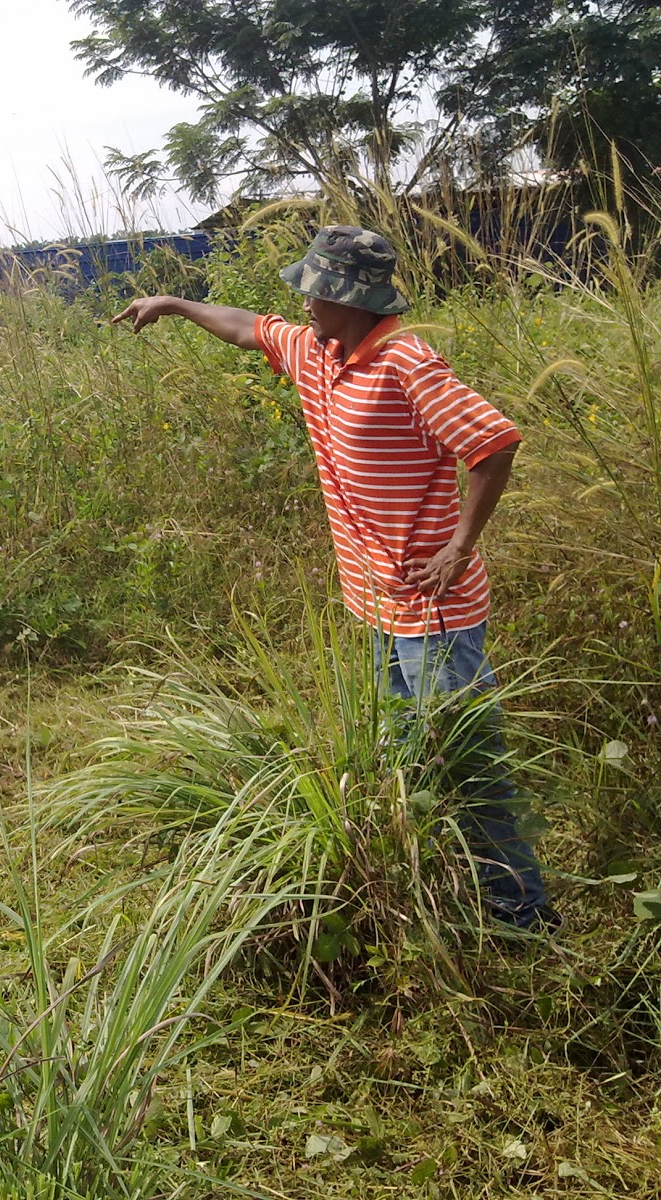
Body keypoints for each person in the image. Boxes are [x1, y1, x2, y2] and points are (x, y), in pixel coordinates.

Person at [114, 225, 555, 931]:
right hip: (373, 603)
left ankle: (522, 912)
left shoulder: (406, 363)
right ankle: (441, 886)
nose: (304, 302)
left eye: (315, 291)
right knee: (407, 752)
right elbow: (248, 328)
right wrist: (173, 303)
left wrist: (459, 546)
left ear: (350, 298)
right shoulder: (319, 353)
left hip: (431, 611)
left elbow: (494, 444)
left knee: (467, 759)